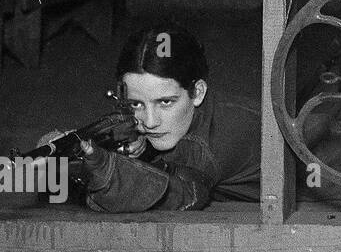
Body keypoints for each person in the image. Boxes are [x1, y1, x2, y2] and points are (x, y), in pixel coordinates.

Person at [64, 24, 260, 213]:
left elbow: (185, 196)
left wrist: (107, 171)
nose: (150, 122)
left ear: (198, 92)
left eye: (165, 102)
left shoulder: (208, 143)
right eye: (136, 104)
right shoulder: (205, 113)